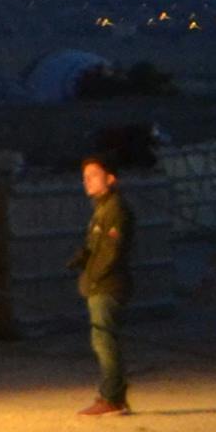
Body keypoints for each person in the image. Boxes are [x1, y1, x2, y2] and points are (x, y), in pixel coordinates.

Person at [73, 157, 136, 417]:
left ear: (111, 178)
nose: (87, 181)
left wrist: (94, 276)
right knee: (101, 340)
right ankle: (111, 394)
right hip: (98, 284)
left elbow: (112, 251)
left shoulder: (116, 209)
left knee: (104, 341)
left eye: (94, 175)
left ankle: (112, 398)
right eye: (85, 176)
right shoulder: (101, 209)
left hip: (108, 285)